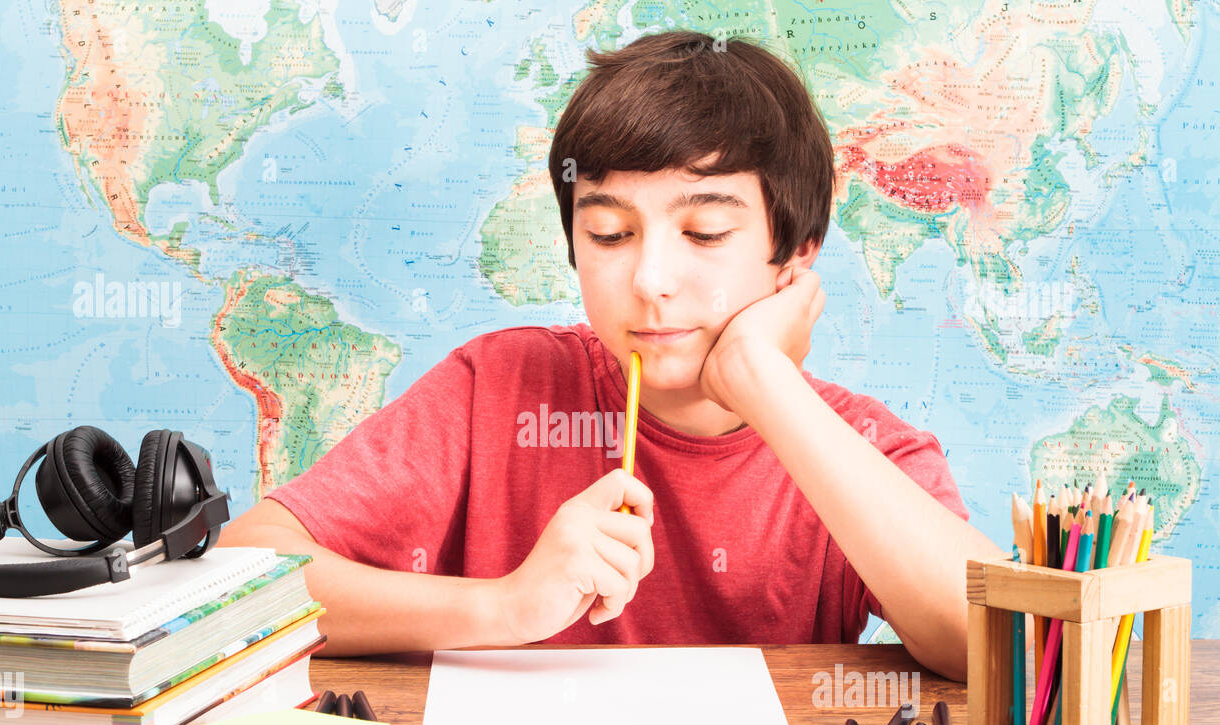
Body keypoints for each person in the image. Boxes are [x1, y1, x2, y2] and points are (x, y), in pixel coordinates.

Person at [220, 30, 1001, 679]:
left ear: (795, 255)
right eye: (609, 234)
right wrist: (506, 606)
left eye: (704, 233)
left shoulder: (852, 445)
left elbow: (994, 647)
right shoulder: (497, 386)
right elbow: (244, 575)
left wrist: (765, 382)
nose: (650, 280)